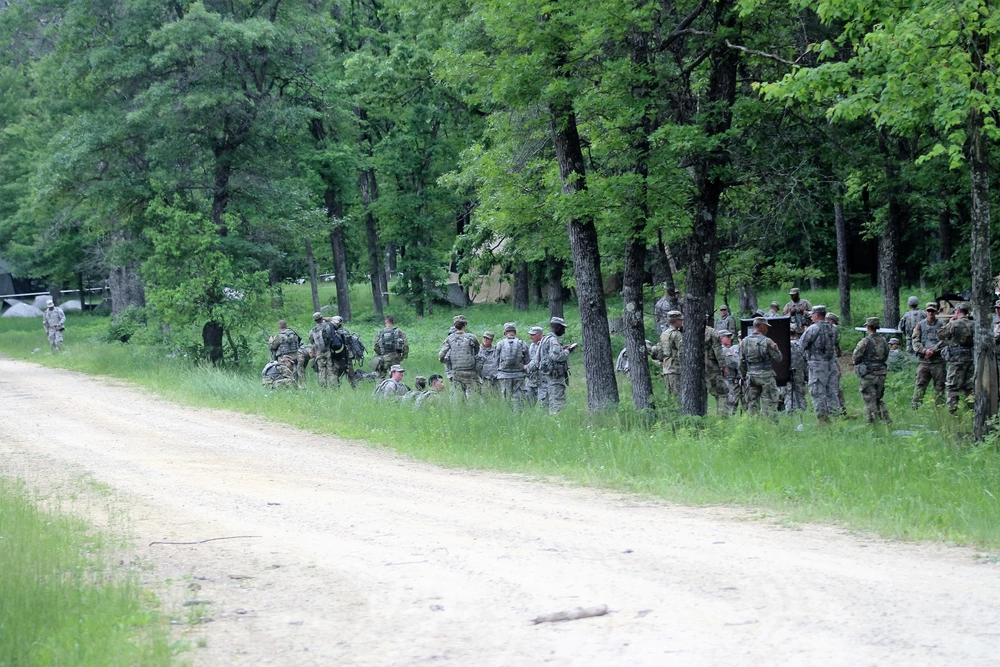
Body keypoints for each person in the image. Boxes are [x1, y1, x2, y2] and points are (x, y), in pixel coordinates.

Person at [798, 305, 841, 422]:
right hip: (831, 364)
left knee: (817, 392)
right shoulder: (834, 328)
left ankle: (822, 419)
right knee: (832, 392)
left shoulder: (813, 329)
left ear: (816, 315)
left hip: (816, 365)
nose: (811, 316)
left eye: (812, 314)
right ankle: (837, 417)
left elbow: (801, 345)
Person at [530, 316, 576, 415]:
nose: (564, 331)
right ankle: (557, 422)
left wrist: (562, 349)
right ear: (557, 327)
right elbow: (557, 357)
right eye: (563, 328)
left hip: (548, 377)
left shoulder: (545, 339)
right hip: (556, 378)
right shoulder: (553, 340)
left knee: (551, 401)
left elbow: (538, 358)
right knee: (558, 403)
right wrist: (568, 351)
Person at [738, 317, 782, 417]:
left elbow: (741, 361)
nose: (767, 329)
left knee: (752, 403)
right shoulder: (767, 341)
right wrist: (775, 347)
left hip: (751, 377)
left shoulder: (744, 341)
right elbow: (778, 358)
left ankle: (753, 425)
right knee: (770, 402)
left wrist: (744, 376)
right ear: (761, 327)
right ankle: (770, 425)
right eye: (766, 327)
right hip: (766, 376)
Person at [937, 303, 975, 414]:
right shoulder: (973, 324)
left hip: (956, 360)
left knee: (952, 386)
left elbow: (940, 334)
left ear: (957, 311)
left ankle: (953, 412)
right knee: (969, 387)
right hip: (971, 359)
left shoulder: (954, 324)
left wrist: (949, 322)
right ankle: (972, 411)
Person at [853, 317, 891, 424]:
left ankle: (873, 421)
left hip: (869, 374)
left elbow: (856, 356)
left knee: (869, 399)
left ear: (868, 327)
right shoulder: (884, 340)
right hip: (881, 373)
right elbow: (886, 355)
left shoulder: (865, 341)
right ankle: (884, 418)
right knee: (878, 398)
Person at [911, 302, 946, 409]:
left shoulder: (941, 324)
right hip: (924, 361)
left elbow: (945, 340)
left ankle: (939, 410)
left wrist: (933, 350)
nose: (930, 313)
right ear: (926, 311)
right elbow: (915, 340)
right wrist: (924, 351)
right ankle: (915, 408)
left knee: (940, 387)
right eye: (929, 311)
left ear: (936, 312)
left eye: (932, 311)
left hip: (938, 361)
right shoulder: (920, 325)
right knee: (920, 385)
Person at [438, 315, 480, 398]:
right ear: (465, 325)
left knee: (457, 395)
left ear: (455, 326)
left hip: (456, 372)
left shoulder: (449, 338)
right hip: (470, 372)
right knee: (472, 395)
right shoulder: (472, 337)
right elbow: (477, 351)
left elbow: (441, 354)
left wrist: (443, 361)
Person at [495, 322, 531, 409]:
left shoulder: (500, 343)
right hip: (519, 375)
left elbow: (496, 359)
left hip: (504, 375)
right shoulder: (522, 343)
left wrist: (499, 370)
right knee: (518, 397)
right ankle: (517, 414)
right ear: (515, 332)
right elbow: (527, 360)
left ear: (505, 333)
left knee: (506, 396)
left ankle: (506, 413)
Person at [649, 310, 682, 396]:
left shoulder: (664, 334)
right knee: (677, 396)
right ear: (676, 321)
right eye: (680, 320)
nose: (682, 322)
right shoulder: (677, 335)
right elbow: (682, 352)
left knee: (669, 396)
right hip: (676, 369)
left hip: (666, 369)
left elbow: (659, 351)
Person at [704, 318, 728, 415]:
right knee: (722, 392)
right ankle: (723, 418)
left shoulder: (687, 331)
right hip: (711, 367)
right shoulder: (711, 332)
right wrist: (723, 366)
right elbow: (718, 351)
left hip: (694, 369)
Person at [328, 316, 357, 389]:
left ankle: (335, 389)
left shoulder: (333, 333)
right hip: (347, 356)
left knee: (335, 374)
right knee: (351, 375)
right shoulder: (345, 331)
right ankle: (355, 388)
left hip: (337, 357)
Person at [308, 312, 334, 388]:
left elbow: (312, 341)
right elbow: (334, 321)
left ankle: (323, 387)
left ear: (315, 320)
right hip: (329, 350)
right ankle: (333, 387)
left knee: (321, 370)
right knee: (331, 369)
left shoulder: (313, 330)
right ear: (321, 318)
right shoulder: (328, 326)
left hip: (319, 352)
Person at [785, 330, 808, 412]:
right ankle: (802, 409)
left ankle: (789, 410)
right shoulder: (800, 345)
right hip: (799, 373)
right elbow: (806, 359)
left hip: (786, 373)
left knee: (788, 392)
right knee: (800, 392)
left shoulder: (784, 346)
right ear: (795, 334)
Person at [720, 330, 742, 414]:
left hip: (725, 378)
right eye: (728, 337)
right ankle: (728, 418)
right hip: (728, 379)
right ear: (721, 338)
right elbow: (733, 363)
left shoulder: (718, 348)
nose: (730, 339)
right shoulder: (725, 350)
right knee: (730, 400)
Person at [525, 326, 544, 405]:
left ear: (539, 335)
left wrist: (528, 366)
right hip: (531, 380)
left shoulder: (544, 345)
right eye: (530, 334)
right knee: (528, 402)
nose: (530, 336)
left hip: (541, 381)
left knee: (542, 404)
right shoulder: (532, 346)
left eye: (533, 335)